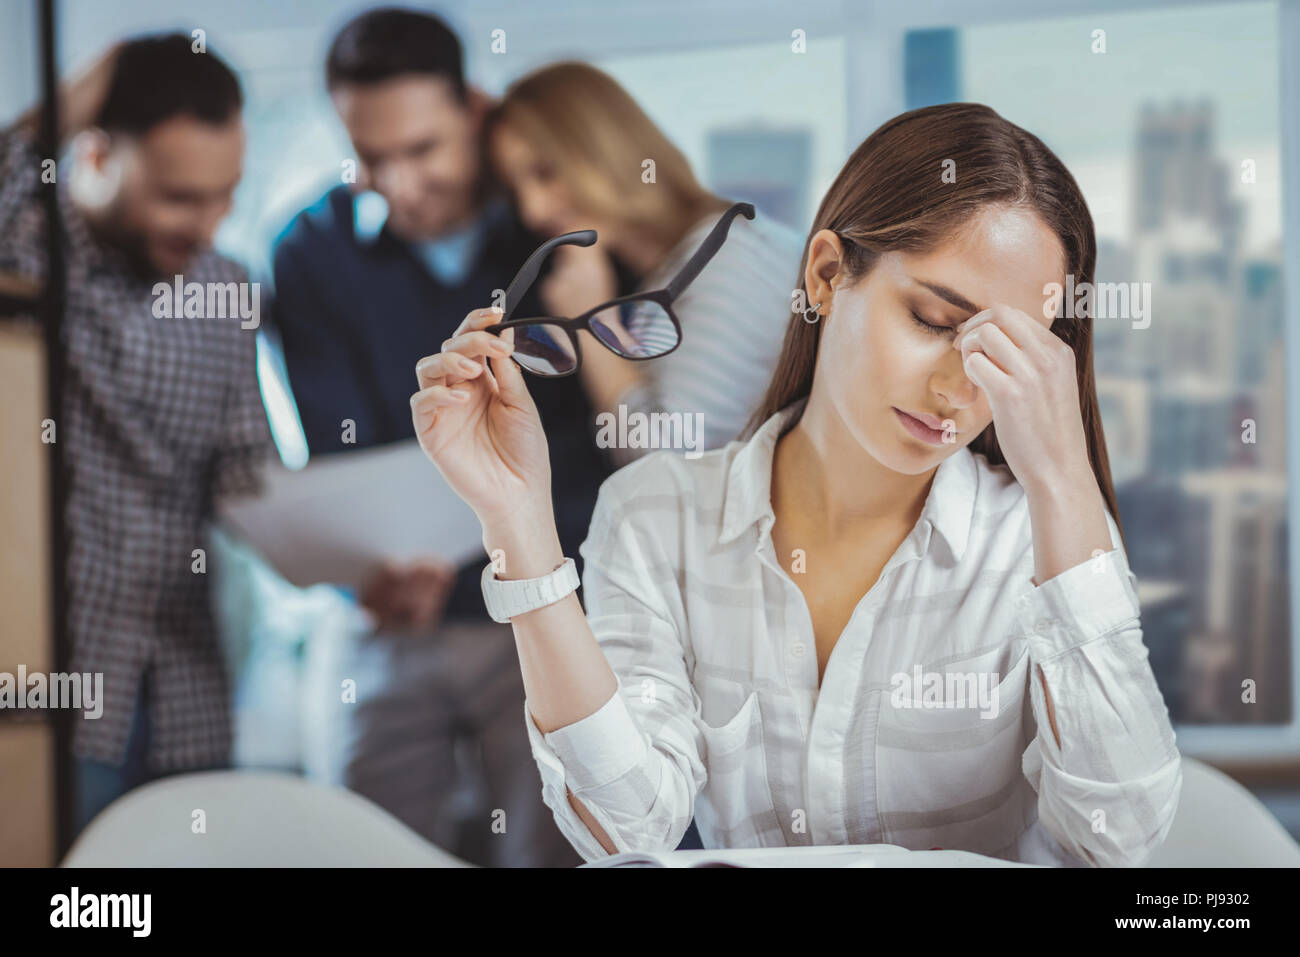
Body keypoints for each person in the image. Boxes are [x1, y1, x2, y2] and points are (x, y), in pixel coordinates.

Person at [408, 102, 1183, 866]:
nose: (957, 387)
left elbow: (1115, 838)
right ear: (825, 274)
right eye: (934, 319)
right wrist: (519, 526)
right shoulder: (656, 518)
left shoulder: (1045, 539)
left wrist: (1065, 481)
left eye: (1008, 352)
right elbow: (624, 829)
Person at [270, 8, 603, 867]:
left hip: (543, 594)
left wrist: (505, 551)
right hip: (394, 612)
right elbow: (342, 449)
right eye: (369, 156)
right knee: (362, 844)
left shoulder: (554, 224)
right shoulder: (309, 252)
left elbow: (598, 445)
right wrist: (372, 564)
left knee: (557, 839)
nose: (396, 181)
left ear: (478, 112)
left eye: (422, 150)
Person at [0, 36, 273, 835]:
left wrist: (353, 559)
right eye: (180, 196)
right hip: (62, 685)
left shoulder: (227, 287)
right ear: (95, 156)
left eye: (226, 195)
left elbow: (245, 468)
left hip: (187, 684)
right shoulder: (35, 256)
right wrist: (88, 83)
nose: (209, 221)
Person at [486, 61, 804, 462]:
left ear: (607, 147)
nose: (533, 211)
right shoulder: (684, 265)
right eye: (516, 191)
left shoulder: (728, 258)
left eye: (545, 172)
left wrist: (587, 321)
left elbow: (663, 457)